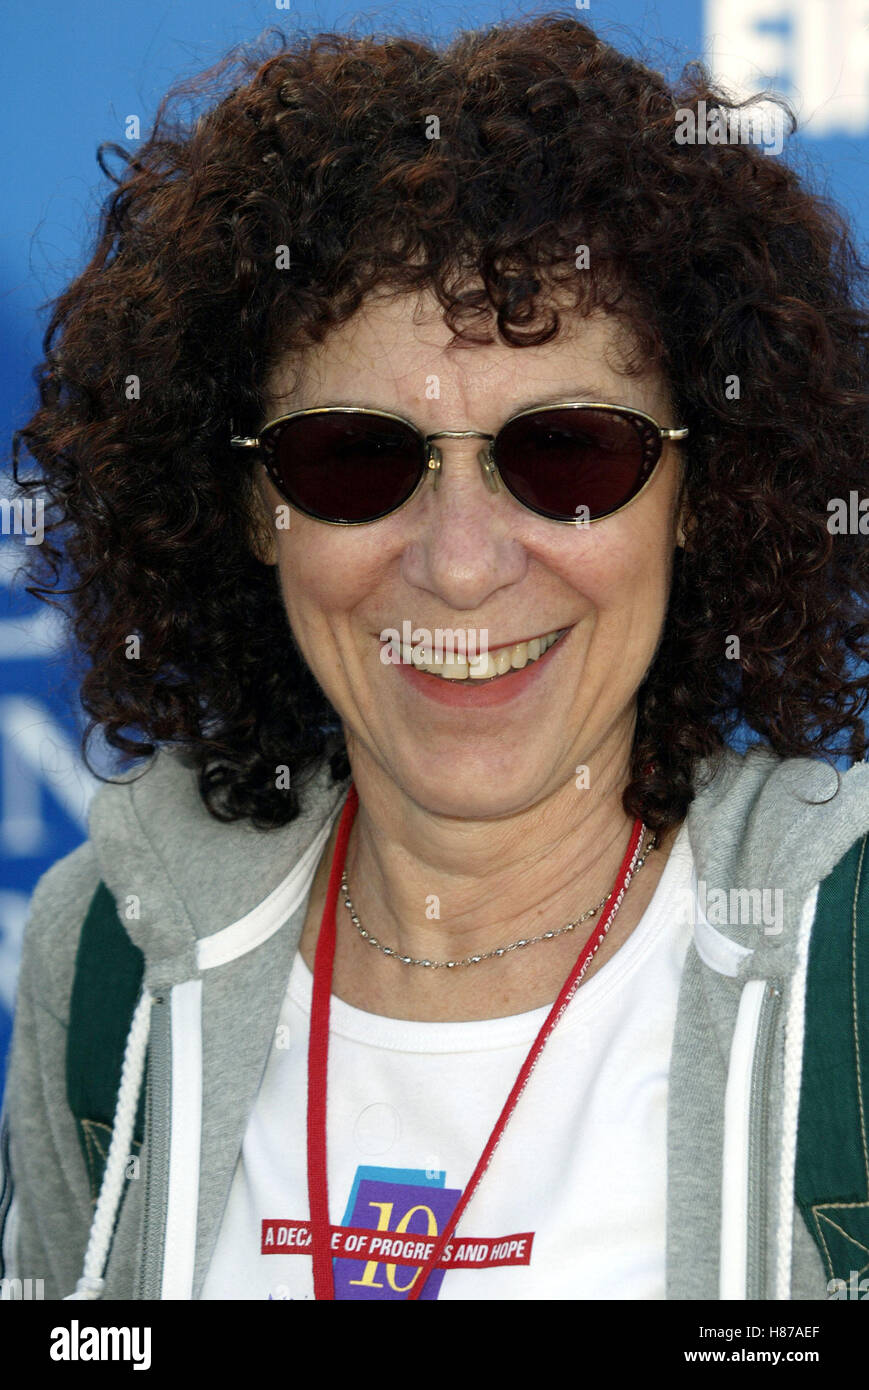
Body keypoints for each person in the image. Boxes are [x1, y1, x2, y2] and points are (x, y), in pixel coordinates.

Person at [1, 13, 868, 1302]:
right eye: (351, 460)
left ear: (699, 491)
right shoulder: (112, 956)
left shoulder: (848, 964)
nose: (462, 563)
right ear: (251, 510)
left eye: (567, 455)